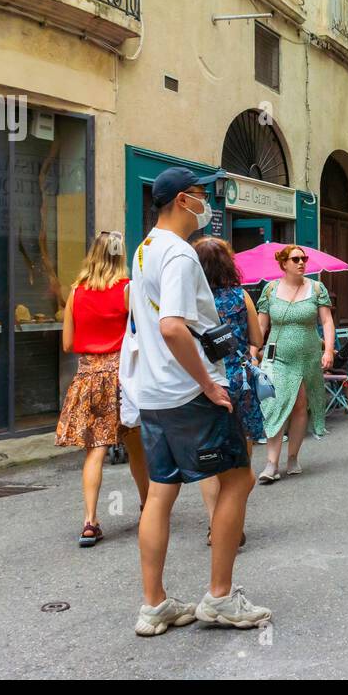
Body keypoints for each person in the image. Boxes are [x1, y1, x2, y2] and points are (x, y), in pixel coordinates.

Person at [127, 167, 267, 635]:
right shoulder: (180, 256)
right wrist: (208, 384)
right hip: (189, 392)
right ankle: (221, 596)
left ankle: (154, 605)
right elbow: (171, 326)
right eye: (203, 195)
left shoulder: (144, 248)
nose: (209, 203)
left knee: (161, 492)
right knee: (238, 479)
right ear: (184, 200)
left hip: (154, 394)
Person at [57, 231, 147, 547]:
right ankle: (148, 507)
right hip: (120, 376)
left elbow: (68, 343)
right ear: (120, 256)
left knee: (94, 451)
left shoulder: (75, 292)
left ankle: (90, 521)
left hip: (87, 376)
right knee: (136, 444)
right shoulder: (126, 290)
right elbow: (143, 332)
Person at [193, 236, 262, 548]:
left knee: (210, 456)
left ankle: (213, 524)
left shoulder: (192, 298)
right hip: (239, 379)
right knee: (241, 455)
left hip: (205, 379)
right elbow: (257, 337)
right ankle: (235, 524)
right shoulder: (240, 296)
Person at [255, 245, 335, 483]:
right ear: (284, 264)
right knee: (276, 404)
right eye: (296, 259)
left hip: (308, 355)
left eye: (304, 258)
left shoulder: (317, 288)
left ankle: (292, 457)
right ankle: (271, 463)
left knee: (300, 405)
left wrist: (328, 350)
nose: (301, 262)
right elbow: (261, 326)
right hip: (277, 357)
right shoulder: (270, 290)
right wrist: (253, 350)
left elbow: (327, 322)